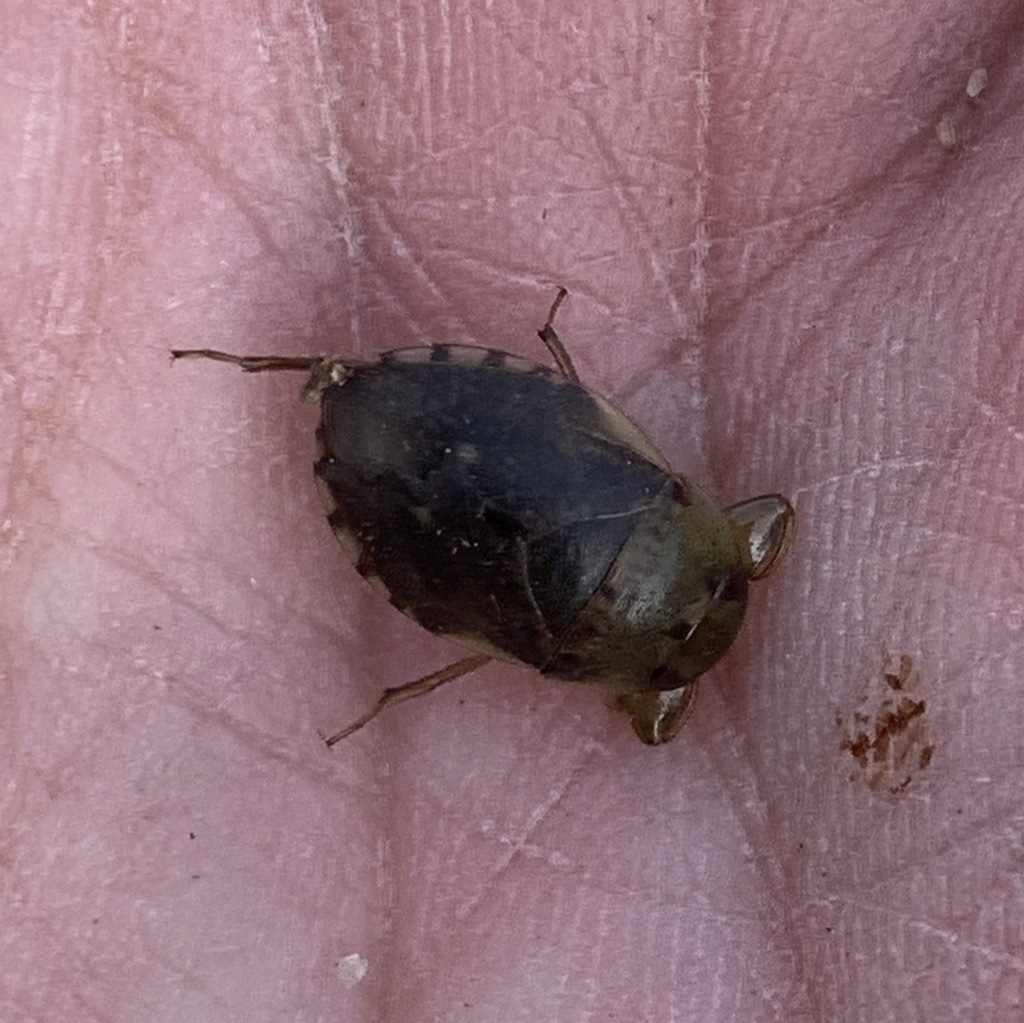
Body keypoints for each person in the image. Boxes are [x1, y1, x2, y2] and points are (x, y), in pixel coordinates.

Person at [2, 2, 1016, 1019]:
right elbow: (471, 616)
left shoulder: (682, 513)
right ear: (641, 700)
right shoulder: (590, 665)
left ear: (740, 534)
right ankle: (292, 378)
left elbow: (586, 409)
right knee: (471, 584)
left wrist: (555, 357)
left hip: (559, 465)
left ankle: (284, 373)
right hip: (489, 554)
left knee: (536, 425)